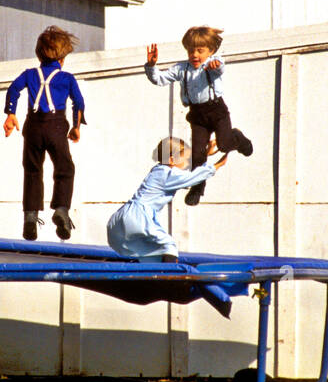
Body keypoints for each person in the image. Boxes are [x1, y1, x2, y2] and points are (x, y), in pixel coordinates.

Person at [143, 25, 252, 206]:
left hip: (217, 111)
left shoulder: (212, 64)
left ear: (211, 51)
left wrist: (215, 64)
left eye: (200, 51)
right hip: (197, 115)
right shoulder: (182, 69)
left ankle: (238, 138)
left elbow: (219, 67)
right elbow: (159, 79)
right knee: (198, 154)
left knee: (224, 145)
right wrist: (151, 66)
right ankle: (197, 187)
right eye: (191, 50)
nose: (195, 55)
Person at [3, 26, 85, 240]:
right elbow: (79, 102)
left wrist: (11, 114)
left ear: (39, 54)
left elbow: (13, 90)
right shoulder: (66, 78)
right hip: (56, 126)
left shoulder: (30, 74)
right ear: (63, 57)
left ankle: (30, 217)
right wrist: (76, 126)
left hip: (33, 126)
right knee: (65, 168)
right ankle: (61, 210)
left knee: (32, 170)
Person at [107, 137, 228, 261]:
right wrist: (217, 165)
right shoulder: (167, 174)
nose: (187, 164)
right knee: (168, 246)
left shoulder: (159, 170)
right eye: (186, 160)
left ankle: (147, 273)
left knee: (148, 253)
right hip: (138, 217)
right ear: (171, 160)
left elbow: (188, 174)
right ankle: (170, 277)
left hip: (121, 219)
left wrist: (206, 153)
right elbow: (192, 177)